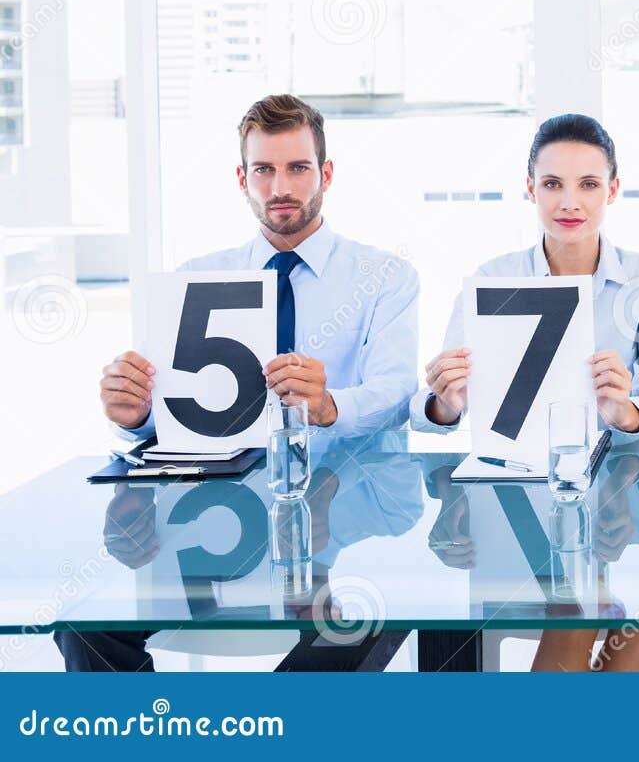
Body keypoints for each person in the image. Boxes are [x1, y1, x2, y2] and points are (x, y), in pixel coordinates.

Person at [63, 93, 419, 671]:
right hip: (205, 519)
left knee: (381, 610)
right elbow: (166, 414)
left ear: (325, 174)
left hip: (339, 522)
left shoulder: (383, 278)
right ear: (243, 178)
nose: (281, 186)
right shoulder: (196, 279)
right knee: (83, 621)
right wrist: (134, 415)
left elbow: (398, 393)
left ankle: (259, 736)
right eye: (265, 169)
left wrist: (328, 405)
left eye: (298, 167)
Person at [410, 112, 639, 672]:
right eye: (553, 184)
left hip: (617, 484)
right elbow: (431, 409)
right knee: (582, 611)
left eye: (588, 184)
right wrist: (446, 401)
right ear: (529, 188)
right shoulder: (495, 276)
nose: (569, 202)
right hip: (510, 494)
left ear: (613, 189)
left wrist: (627, 411)